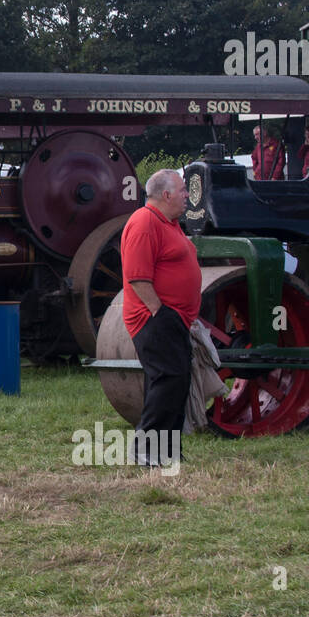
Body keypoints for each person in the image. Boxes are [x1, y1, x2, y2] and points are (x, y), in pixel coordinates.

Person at [120, 169, 202, 466]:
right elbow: (137, 278)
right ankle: (145, 449)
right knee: (167, 380)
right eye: (182, 190)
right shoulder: (144, 222)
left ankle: (166, 450)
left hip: (172, 318)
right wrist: (160, 312)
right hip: (153, 318)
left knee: (177, 381)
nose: (186, 196)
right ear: (165, 195)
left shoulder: (170, 223)